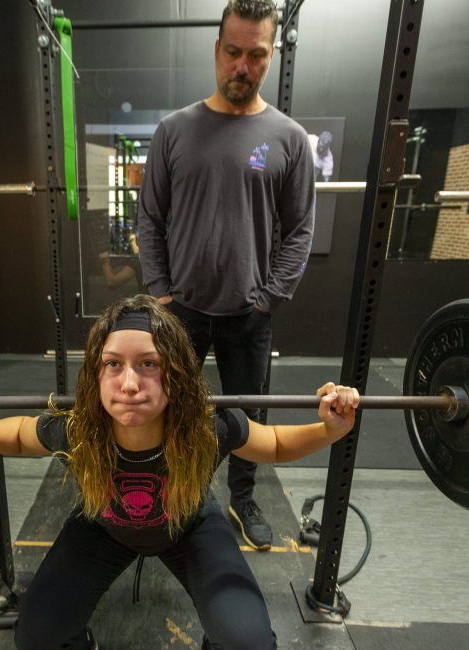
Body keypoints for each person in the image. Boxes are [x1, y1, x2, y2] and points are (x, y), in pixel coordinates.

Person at [0, 295, 358, 650]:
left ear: (177, 372)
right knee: (36, 641)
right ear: (95, 374)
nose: (129, 383)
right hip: (103, 526)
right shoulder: (80, 429)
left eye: (149, 364)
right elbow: (23, 434)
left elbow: (278, 443)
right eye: (112, 365)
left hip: (188, 526)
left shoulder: (207, 427)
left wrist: (330, 429)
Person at [137, 0, 316, 550]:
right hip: (181, 311)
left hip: (248, 313)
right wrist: (160, 294)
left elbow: (301, 229)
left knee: (246, 415)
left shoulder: (287, 138)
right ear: (217, 51)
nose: (242, 65)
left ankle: (243, 498)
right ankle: (175, 492)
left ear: (271, 55)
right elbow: (149, 219)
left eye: (256, 55)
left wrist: (269, 298)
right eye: (233, 52)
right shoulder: (174, 131)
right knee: (171, 407)